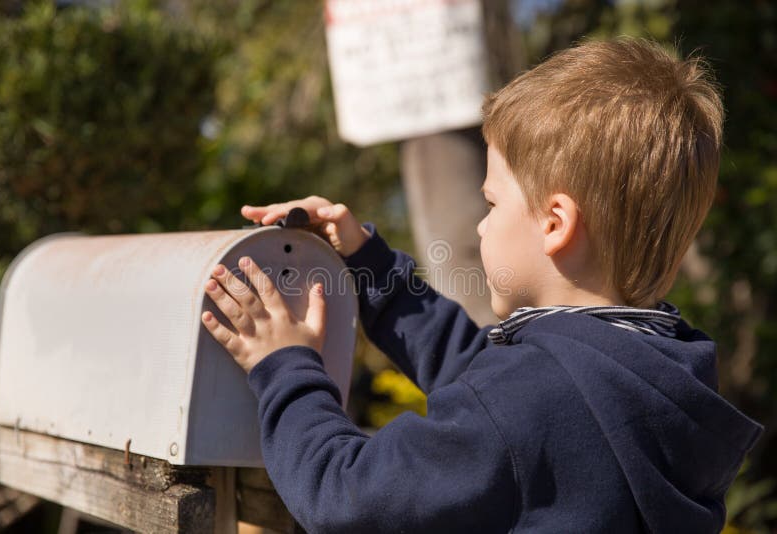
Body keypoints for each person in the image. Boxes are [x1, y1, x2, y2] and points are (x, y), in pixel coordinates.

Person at [200, 37, 763, 533]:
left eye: (491, 202)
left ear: (554, 224)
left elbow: (345, 496)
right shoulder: (656, 376)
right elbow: (479, 374)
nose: (481, 223)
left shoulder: (528, 403)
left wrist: (287, 367)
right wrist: (369, 264)